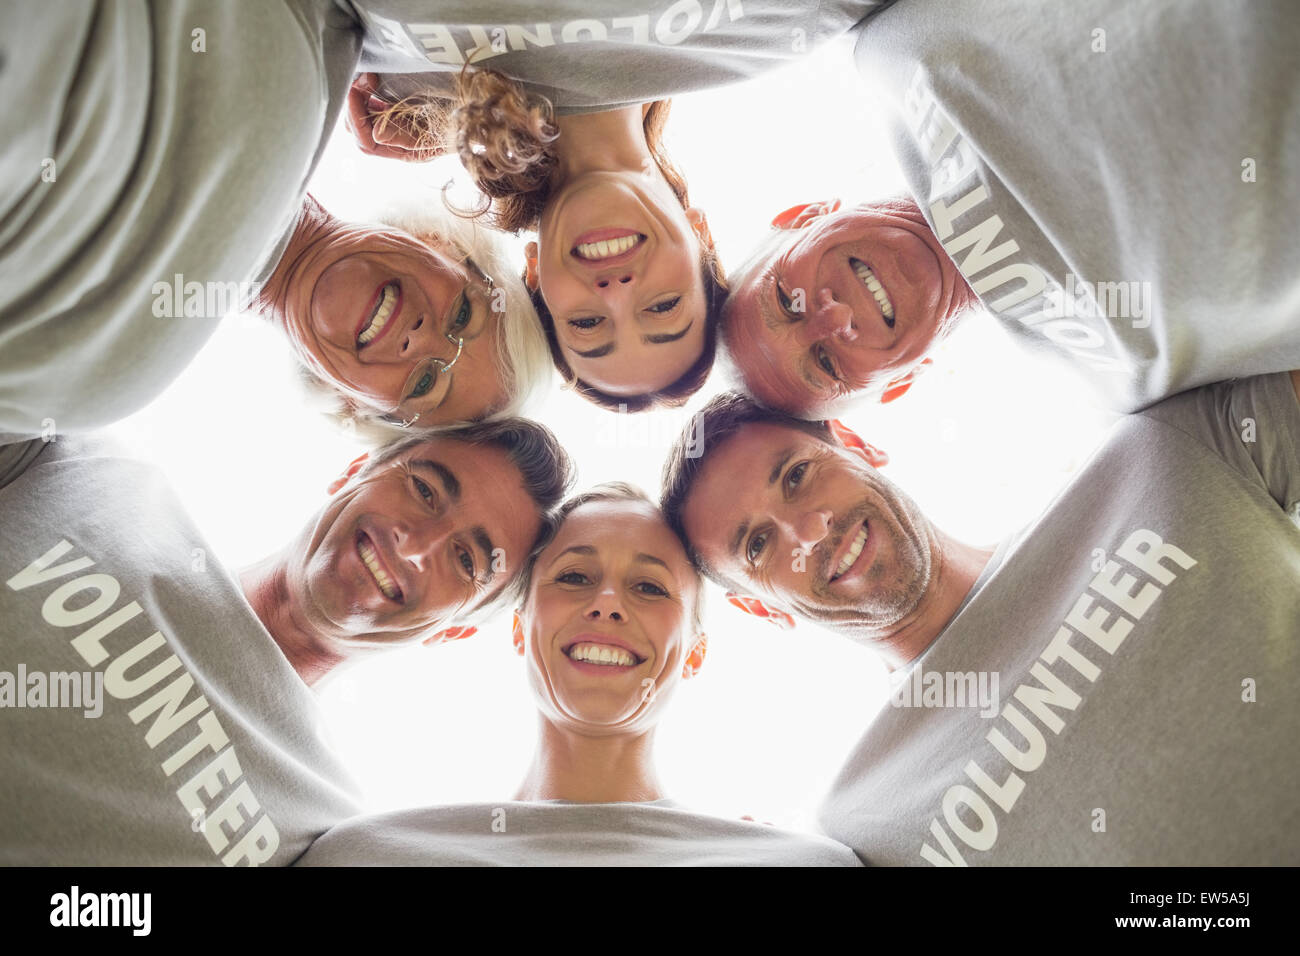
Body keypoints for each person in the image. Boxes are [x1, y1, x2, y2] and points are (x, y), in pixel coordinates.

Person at [659, 375, 1300, 864]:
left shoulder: (1156, 455)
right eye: (759, 546)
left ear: (854, 443)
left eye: (798, 476)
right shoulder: (861, 826)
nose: (808, 530)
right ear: (757, 605)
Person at [0, 418, 573, 864]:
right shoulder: (95, 473)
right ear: (355, 470)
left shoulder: (322, 831)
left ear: (455, 629)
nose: (415, 545)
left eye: (466, 559)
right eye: (424, 490)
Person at [720, 1, 1300, 418]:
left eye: (786, 301)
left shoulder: (882, 47)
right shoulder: (1122, 395)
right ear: (900, 386)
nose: (830, 320)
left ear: (802, 213)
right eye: (826, 363)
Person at [0, 2, 553, 438]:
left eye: (427, 382)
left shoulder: (103, 388)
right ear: (443, 243)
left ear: (351, 404)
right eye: (461, 313)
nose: (421, 339)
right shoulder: (335, 45)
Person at [345, 1, 886, 409]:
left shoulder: (397, 82)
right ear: (702, 236)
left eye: (586, 323)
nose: (616, 292)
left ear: (533, 274)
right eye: (662, 308)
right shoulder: (772, 30)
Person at [298, 484, 862, 865]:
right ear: (520, 627)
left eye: (649, 587)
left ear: (695, 652)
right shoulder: (372, 854)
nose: (608, 604)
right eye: (573, 577)